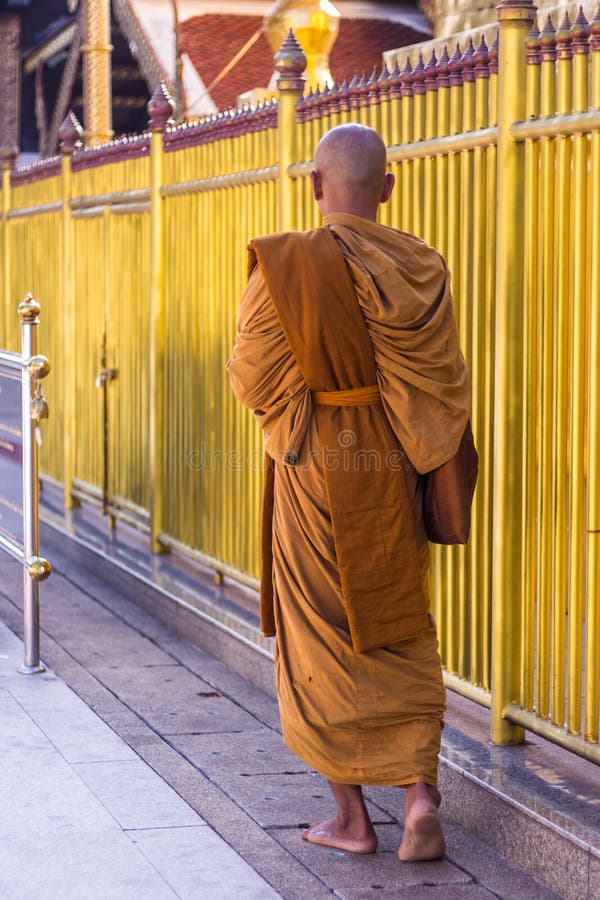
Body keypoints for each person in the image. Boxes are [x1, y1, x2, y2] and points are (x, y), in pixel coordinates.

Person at [227, 124, 470, 862]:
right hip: (390, 465)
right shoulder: (420, 266)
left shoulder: (286, 265)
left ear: (313, 184)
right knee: (396, 622)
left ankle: (352, 822)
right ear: (388, 189)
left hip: (314, 467)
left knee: (320, 635)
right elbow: (440, 387)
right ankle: (420, 795)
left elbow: (251, 375)